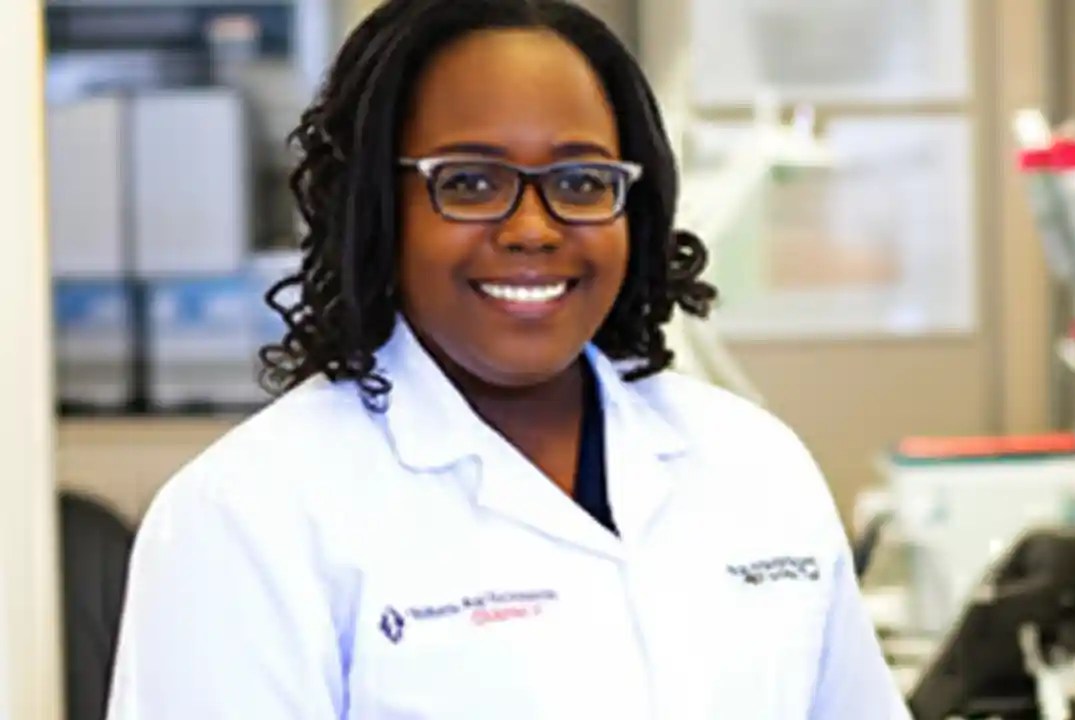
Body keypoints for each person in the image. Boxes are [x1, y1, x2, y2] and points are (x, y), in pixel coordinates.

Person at [106, 0, 909, 717]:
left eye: (581, 181)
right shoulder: (248, 516)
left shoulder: (756, 466)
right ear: (379, 208)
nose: (532, 228)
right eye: (470, 182)